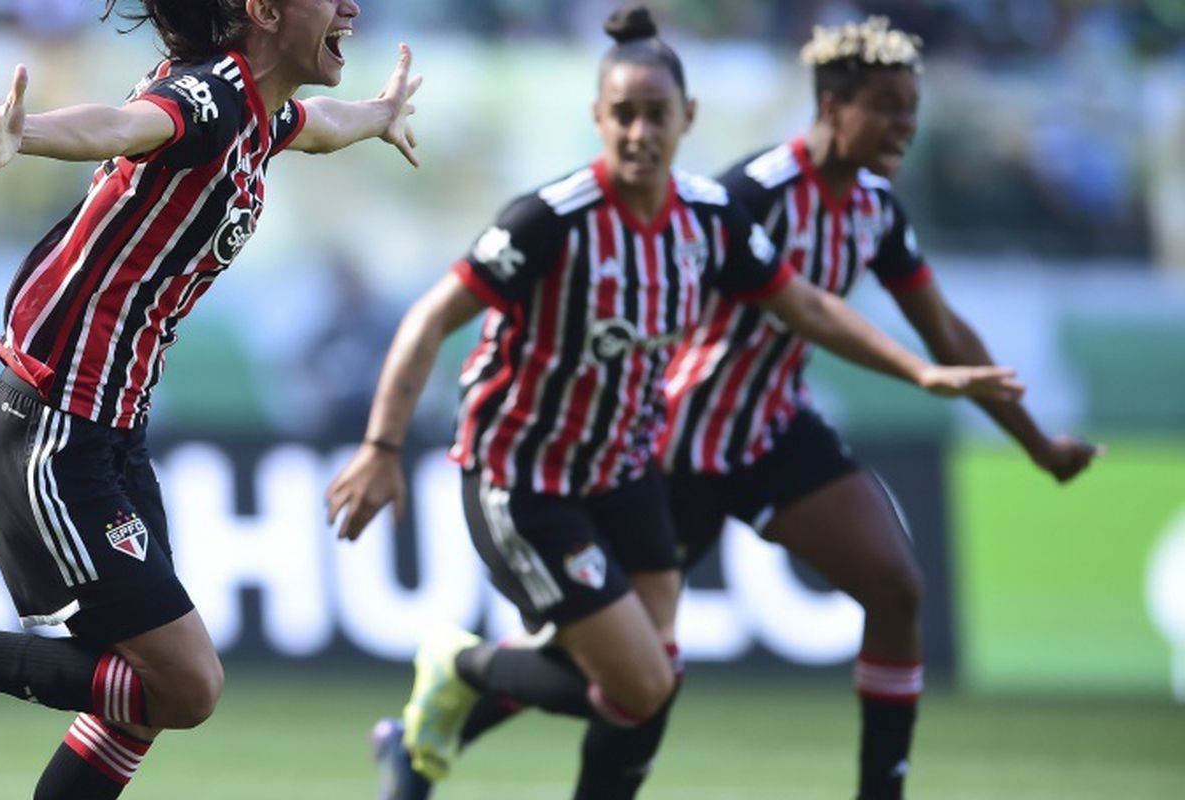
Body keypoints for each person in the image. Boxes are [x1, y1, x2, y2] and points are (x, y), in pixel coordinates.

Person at [324, 8, 1022, 800]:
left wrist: (921, 373)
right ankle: (458, 666)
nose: (639, 132)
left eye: (656, 115)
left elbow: (810, 307)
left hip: (624, 471)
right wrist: (381, 449)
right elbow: (429, 318)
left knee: (648, 682)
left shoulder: (709, 220)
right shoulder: (551, 220)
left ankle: (427, 731)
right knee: (643, 686)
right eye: (623, 114)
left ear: (687, 119)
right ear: (598, 118)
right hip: (524, 476)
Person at [0, 2, 423, 798]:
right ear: (263, 11)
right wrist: (30, 134)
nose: (351, 6)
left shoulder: (260, 115)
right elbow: (123, 124)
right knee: (185, 686)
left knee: (138, 699)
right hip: (52, 429)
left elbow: (316, 124)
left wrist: (379, 116)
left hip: (110, 435)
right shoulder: (211, 99)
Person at [650, 17, 1100, 799]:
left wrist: (1036, 444)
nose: (906, 126)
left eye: (912, 108)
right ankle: (447, 707)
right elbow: (665, 297)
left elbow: (946, 329)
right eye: (888, 107)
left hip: (773, 433)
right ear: (832, 104)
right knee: (603, 663)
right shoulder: (751, 194)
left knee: (896, 588)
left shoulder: (877, 211)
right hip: (675, 443)